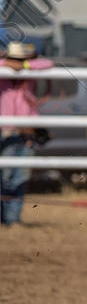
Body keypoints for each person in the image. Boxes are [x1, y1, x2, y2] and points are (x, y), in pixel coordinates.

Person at [1, 41, 55, 226]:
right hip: (6, 130)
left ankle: (13, 218)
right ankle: (5, 217)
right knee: (6, 175)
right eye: (14, 59)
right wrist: (8, 64)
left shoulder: (28, 71)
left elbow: (48, 63)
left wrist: (24, 66)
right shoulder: (3, 71)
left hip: (27, 130)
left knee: (21, 175)